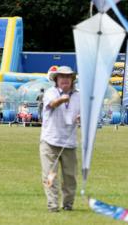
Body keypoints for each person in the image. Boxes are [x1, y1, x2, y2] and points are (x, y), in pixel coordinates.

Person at [40, 66, 80, 213]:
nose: (65, 79)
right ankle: (52, 205)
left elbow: (84, 114)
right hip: (50, 141)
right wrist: (61, 100)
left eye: (68, 77)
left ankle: (68, 204)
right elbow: (51, 104)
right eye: (62, 77)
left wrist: (81, 117)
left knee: (70, 177)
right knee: (50, 175)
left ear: (72, 80)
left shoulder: (78, 96)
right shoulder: (51, 93)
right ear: (56, 79)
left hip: (69, 143)